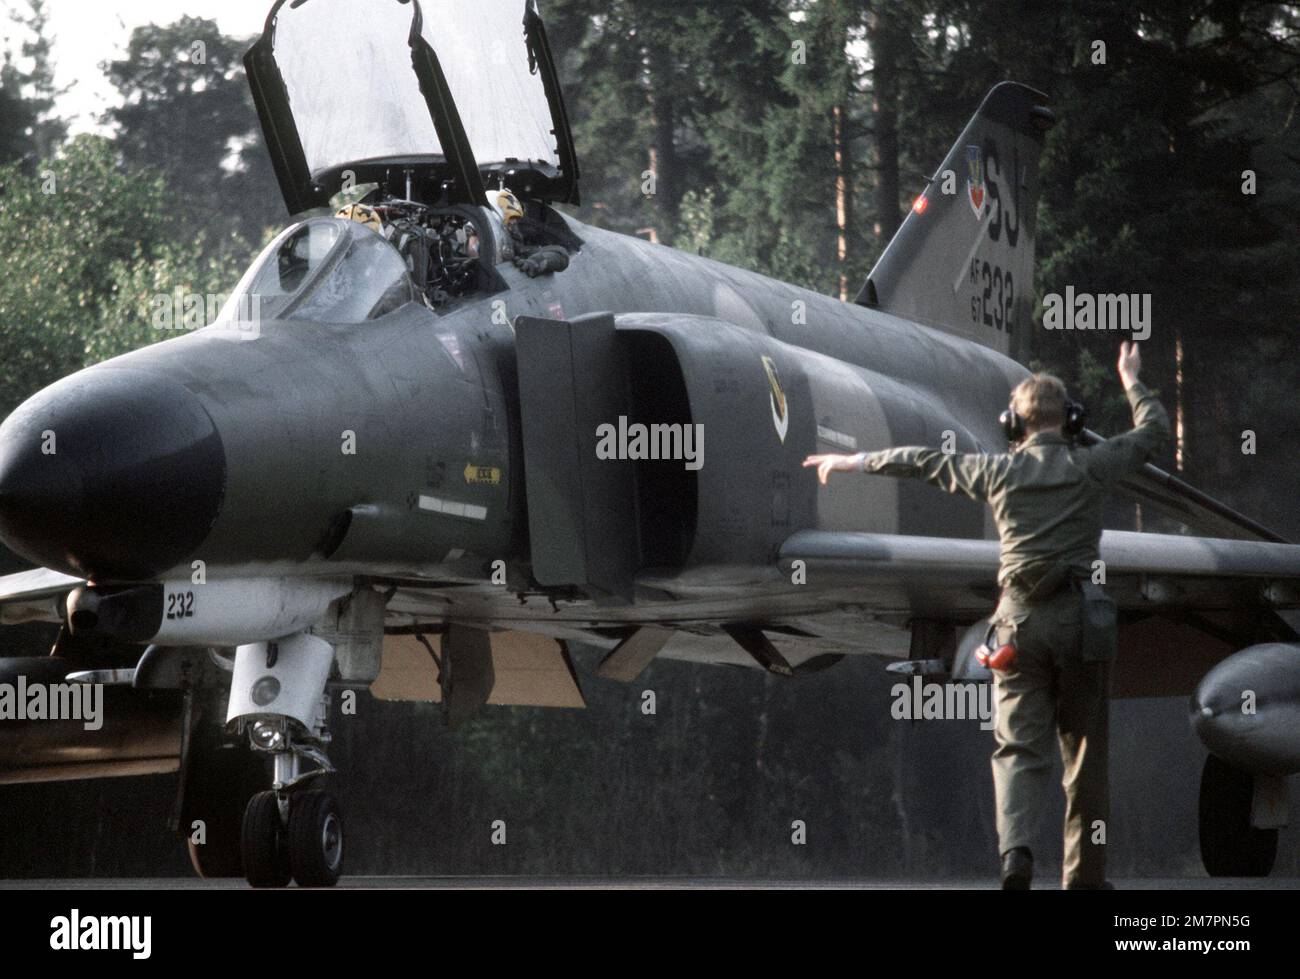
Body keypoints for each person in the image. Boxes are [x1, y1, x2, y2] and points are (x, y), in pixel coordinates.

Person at [803, 341, 1170, 889]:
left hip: (1017, 627)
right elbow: (1154, 432)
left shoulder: (997, 473)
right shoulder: (1093, 466)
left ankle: (1016, 854)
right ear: (1070, 422)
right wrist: (1131, 379)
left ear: (1012, 426)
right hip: (1081, 626)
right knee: (1085, 759)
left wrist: (852, 461)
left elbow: (925, 463)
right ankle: (1084, 878)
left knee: (1019, 749)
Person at [491, 188, 570, 277]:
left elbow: (560, 254)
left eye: (513, 222)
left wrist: (535, 262)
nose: (513, 227)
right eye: (509, 223)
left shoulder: (512, 247)